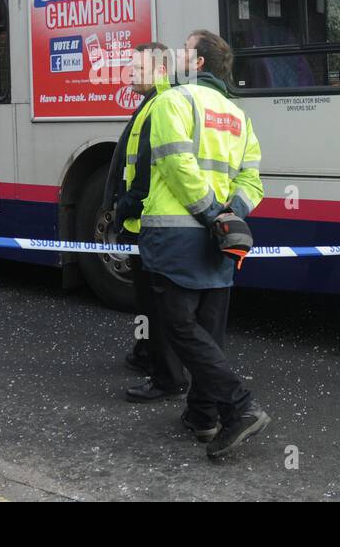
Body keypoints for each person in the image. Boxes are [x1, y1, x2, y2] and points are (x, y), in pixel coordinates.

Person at [140, 28, 268, 458]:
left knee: (180, 327)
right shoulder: (237, 115)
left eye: (183, 50)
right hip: (220, 242)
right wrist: (230, 215)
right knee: (209, 328)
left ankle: (239, 407)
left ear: (197, 63)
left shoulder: (172, 101)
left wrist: (212, 214)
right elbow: (253, 181)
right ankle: (202, 417)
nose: (174, 56)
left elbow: (177, 164)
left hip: (177, 235)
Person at [101, 42, 186, 400]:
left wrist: (126, 208)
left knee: (155, 301)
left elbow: (148, 168)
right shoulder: (152, 102)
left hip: (146, 222)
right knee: (147, 299)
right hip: (143, 221)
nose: (130, 74)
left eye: (138, 68)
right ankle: (145, 353)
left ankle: (166, 376)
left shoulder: (160, 106)